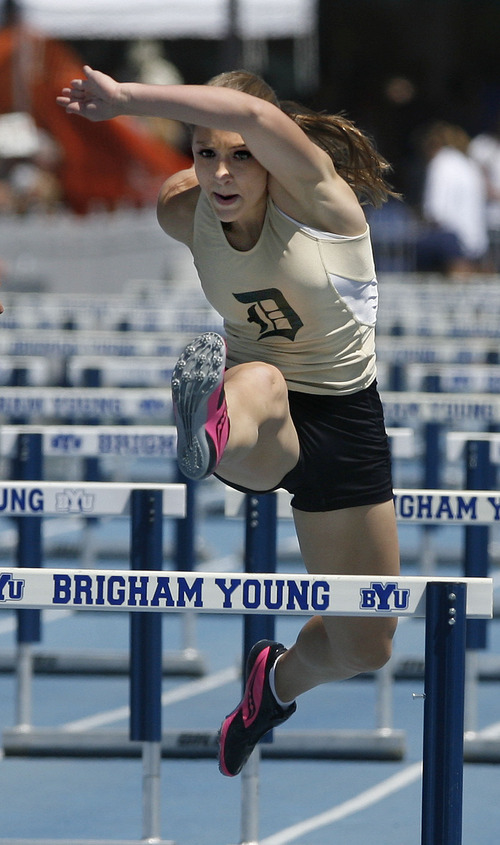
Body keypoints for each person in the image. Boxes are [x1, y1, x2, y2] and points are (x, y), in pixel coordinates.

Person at [57, 65, 401, 778]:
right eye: (205, 153)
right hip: (258, 416)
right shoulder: (181, 210)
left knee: (366, 644)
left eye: (240, 152)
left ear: (272, 151)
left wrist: (125, 100)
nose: (220, 172)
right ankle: (207, 429)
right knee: (263, 382)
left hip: (345, 420)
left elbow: (257, 119)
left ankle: (271, 687)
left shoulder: (320, 201)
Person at [415, 121, 489, 276]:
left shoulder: (441, 162)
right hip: (476, 242)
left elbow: (436, 211)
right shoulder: (468, 164)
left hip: (451, 242)